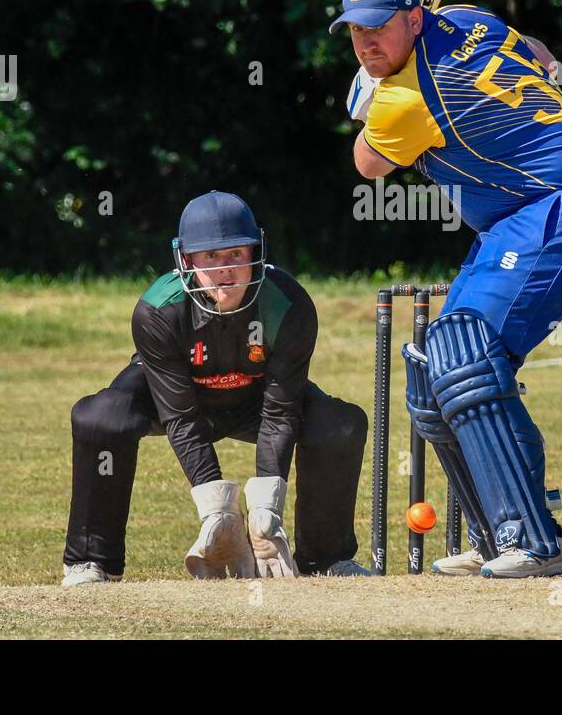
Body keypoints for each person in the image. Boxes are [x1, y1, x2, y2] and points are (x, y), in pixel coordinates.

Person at [333, 0, 562, 578]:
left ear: (414, 18)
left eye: (379, 29)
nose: (366, 43)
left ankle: (535, 539)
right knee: (436, 368)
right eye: (356, 32)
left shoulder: (405, 100)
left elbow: (367, 166)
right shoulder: (471, 20)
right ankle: (499, 531)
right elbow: (543, 55)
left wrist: (365, 104)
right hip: (523, 216)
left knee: (469, 356)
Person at [62, 190, 370, 583]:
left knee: (339, 423)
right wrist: (218, 510)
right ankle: (92, 562)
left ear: (256, 252)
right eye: (211, 257)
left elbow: (281, 410)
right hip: (175, 398)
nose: (225, 269)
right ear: (187, 261)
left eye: (236, 255)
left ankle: (325, 560)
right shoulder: (157, 310)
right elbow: (180, 416)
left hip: (258, 400)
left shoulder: (288, 304)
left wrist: (265, 510)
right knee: (99, 417)